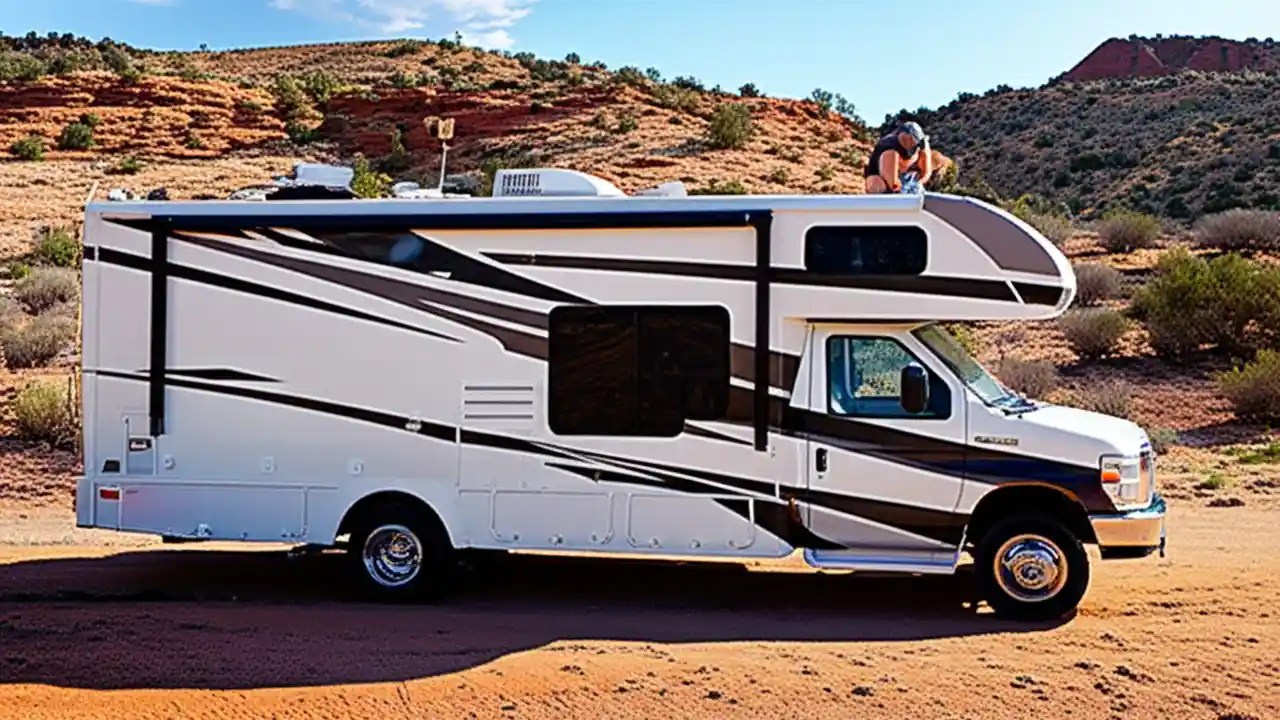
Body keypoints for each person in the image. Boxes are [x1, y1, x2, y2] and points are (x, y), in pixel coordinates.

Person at [863, 121, 933, 194]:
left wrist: (917, 184)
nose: (913, 142)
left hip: (910, 181)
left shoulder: (922, 146)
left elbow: (926, 173)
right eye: (911, 139)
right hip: (886, 182)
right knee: (876, 184)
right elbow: (893, 185)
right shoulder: (889, 149)